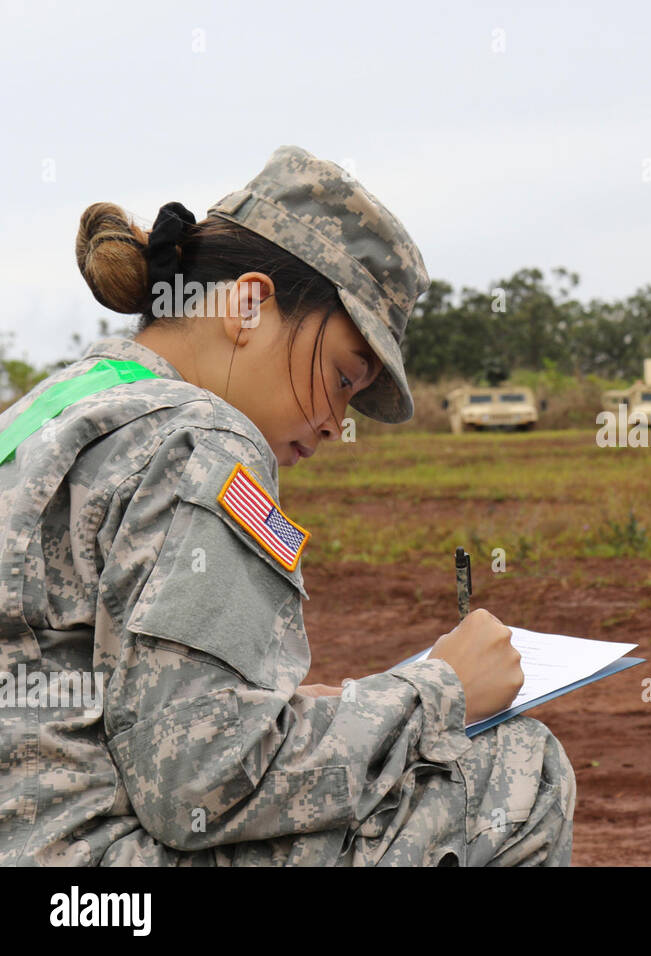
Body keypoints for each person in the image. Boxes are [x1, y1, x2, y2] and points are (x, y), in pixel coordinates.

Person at [0, 145, 575, 866]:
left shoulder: (54, 412)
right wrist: (439, 690)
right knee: (513, 771)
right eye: (342, 376)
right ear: (248, 305)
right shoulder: (201, 440)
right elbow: (200, 788)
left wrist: (303, 708)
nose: (337, 422)